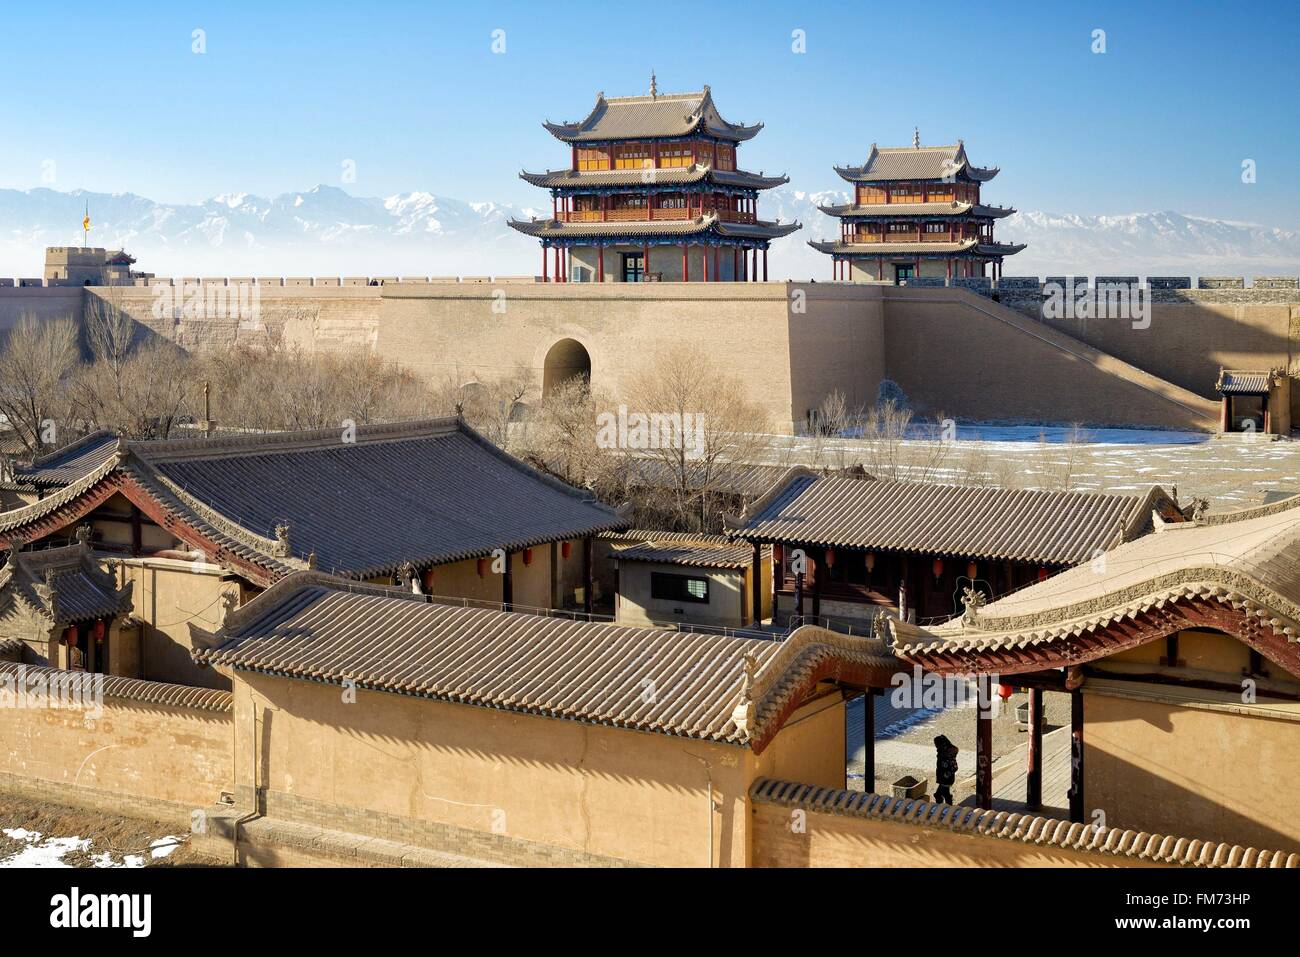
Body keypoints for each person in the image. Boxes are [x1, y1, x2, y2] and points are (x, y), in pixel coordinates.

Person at [933, 734, 959, 805]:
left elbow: (954, 767)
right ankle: (941, 807)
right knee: (939, 794)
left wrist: (946, 775)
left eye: (936, 744)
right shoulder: (944, 752)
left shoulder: (946, 755)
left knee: (944, 794)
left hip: (946, 779)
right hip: (944, 779)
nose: (935, 746)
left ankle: (946, 809)